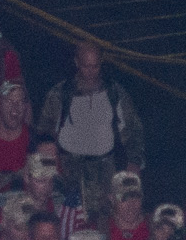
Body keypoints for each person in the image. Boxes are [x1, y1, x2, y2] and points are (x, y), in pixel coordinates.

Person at [37, 43, 146, 210]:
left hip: (105, 169)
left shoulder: (114, 92)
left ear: (101, 63)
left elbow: (133, 129)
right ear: (76, 63)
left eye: (95, 66)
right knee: (70, 215)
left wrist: (134, 162)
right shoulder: (61, 93)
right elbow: (44, 128)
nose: (90, 71)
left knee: (106, 216)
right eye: (86, 66)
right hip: (69, 169)